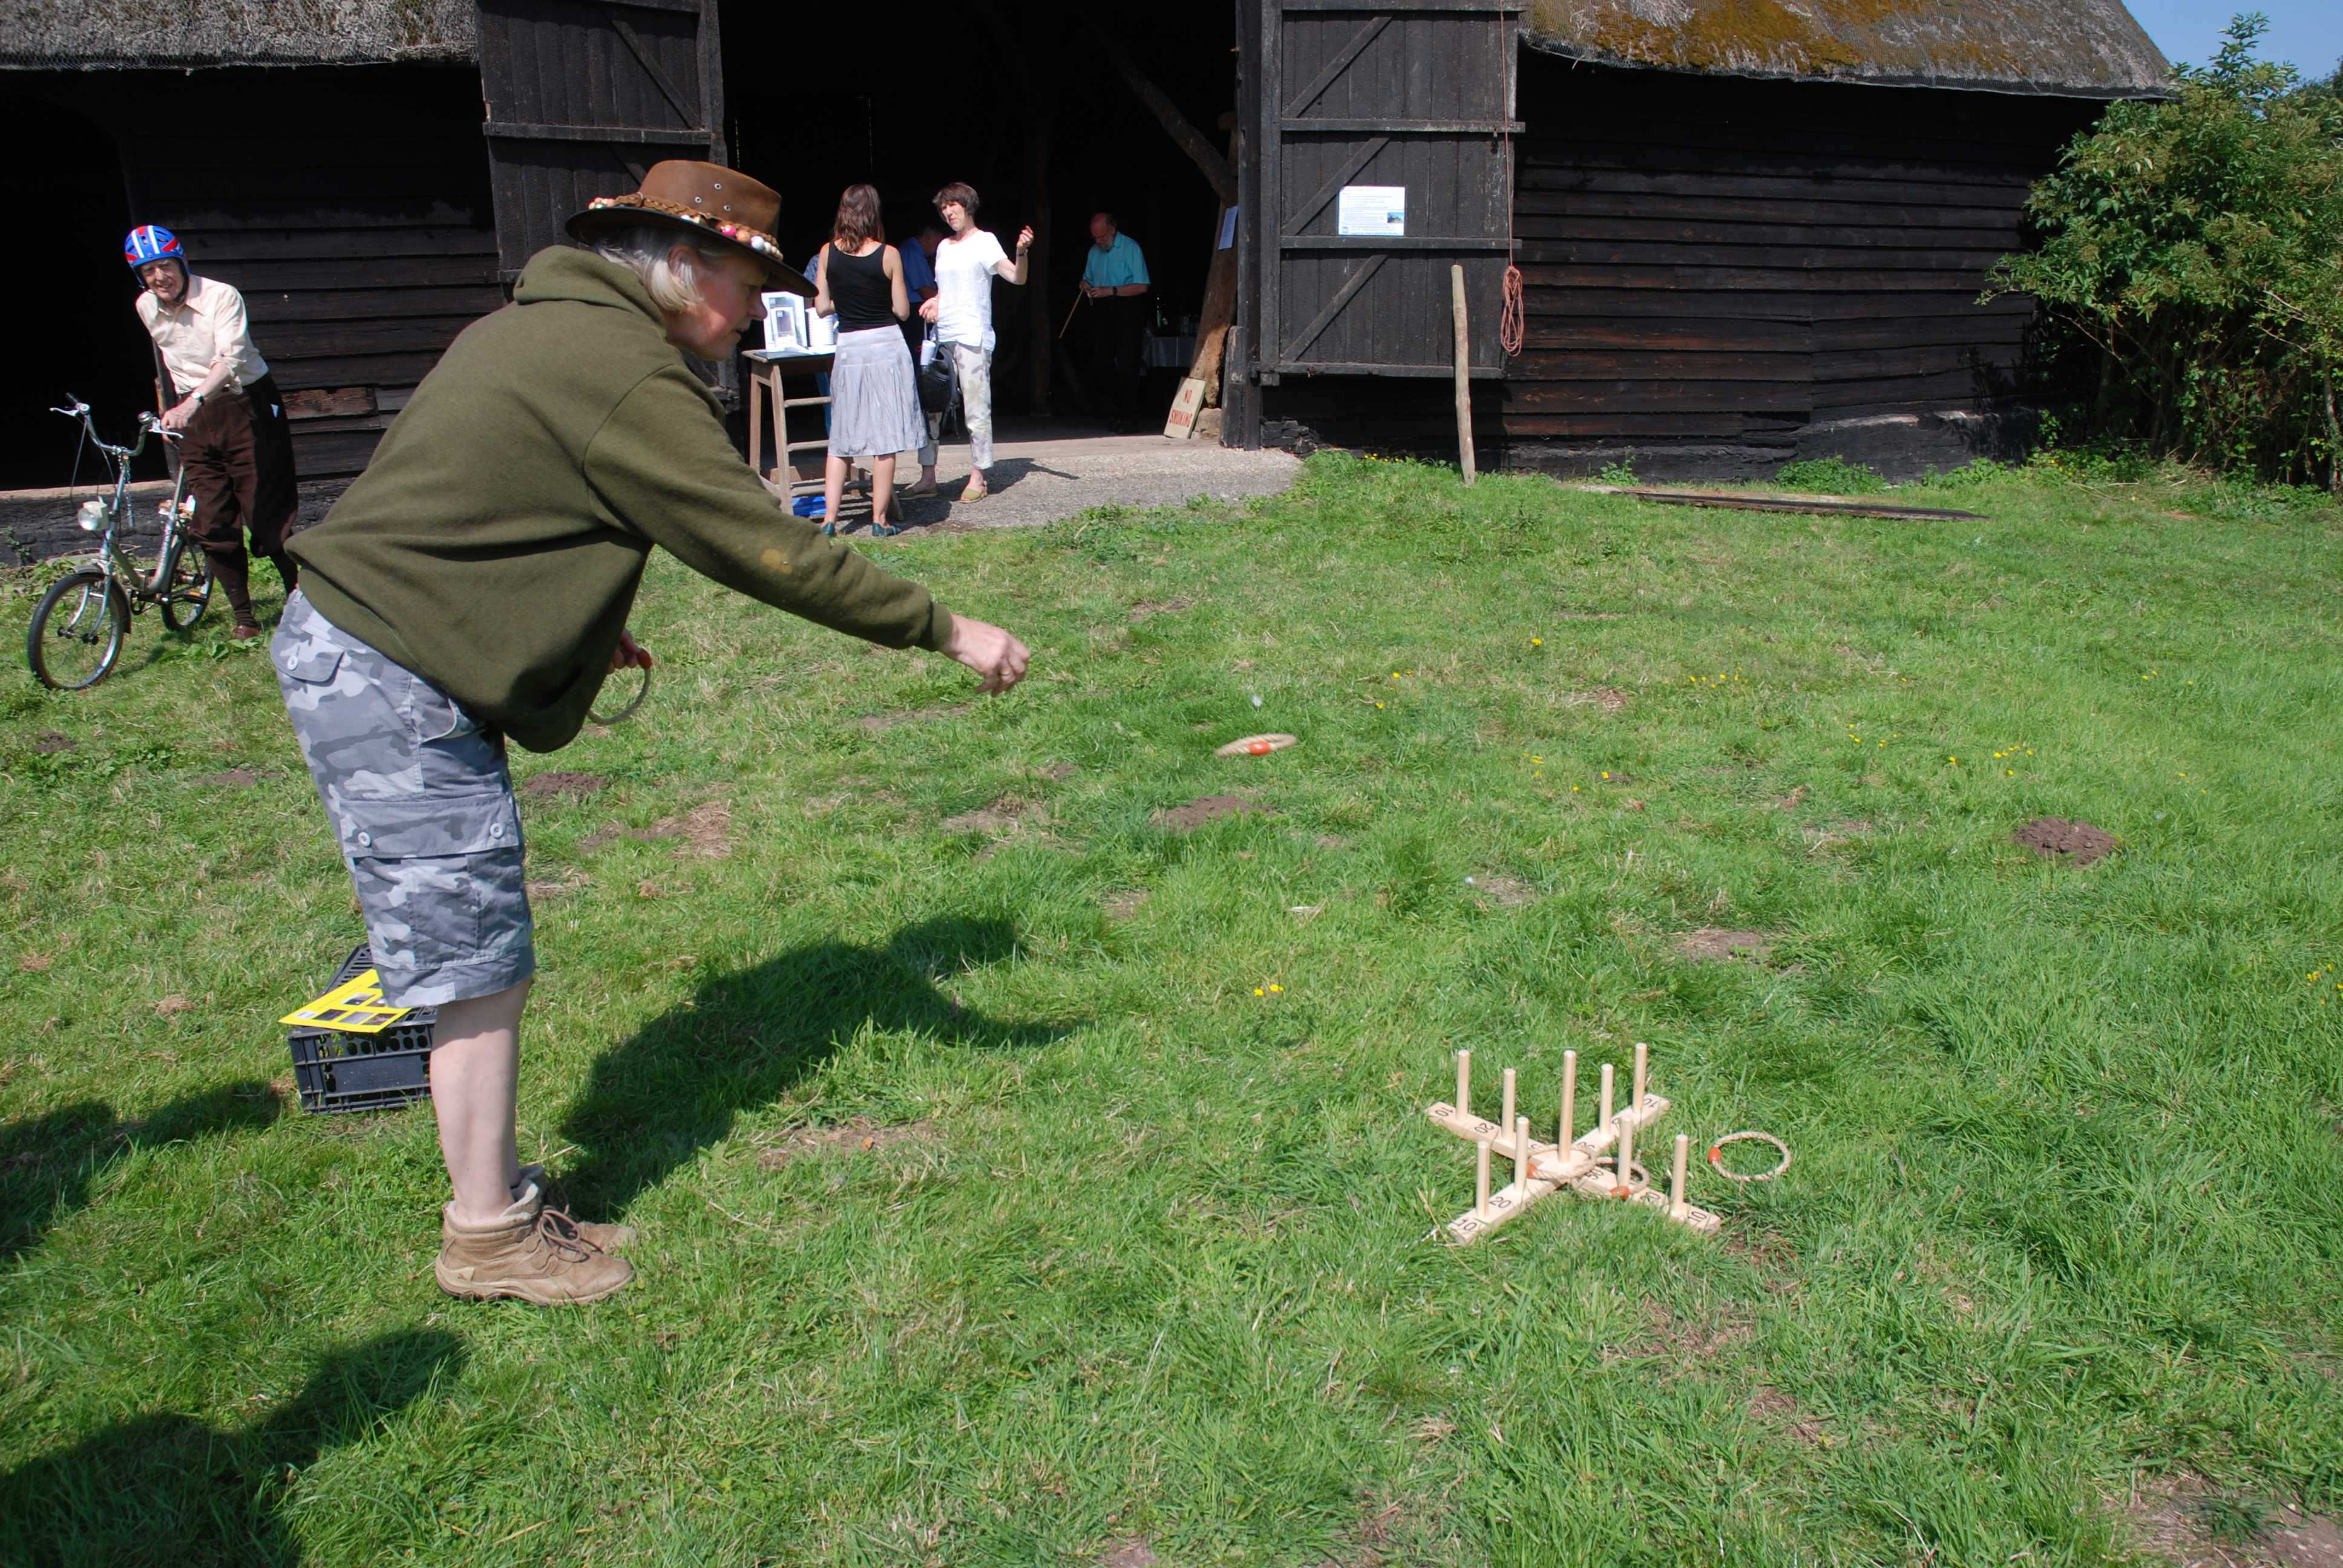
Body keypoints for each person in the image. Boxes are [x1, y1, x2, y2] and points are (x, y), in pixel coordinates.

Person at [274, 162, 1030, 1307]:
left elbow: (493, 506)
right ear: (681, 267)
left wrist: (578, 627)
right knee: (475, 958)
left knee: (473, 944)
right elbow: (757, 544)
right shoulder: (624, 368)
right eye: (744, 283)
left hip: (372, 651)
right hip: (391, 672)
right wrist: (942, 625)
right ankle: (486, 1235)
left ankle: (495, 1194)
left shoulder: (546, 327)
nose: (753, 313)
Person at [126, 224, 301, 639]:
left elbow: (230, 359)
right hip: (195, 412)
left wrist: (192, 403)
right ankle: (244, 618)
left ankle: (298, 593)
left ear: (182, 262)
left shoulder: (222, 296)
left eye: (165, 266)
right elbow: (170, 361)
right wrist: (172, 407)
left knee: (263, 509)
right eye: (147, 271)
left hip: (245, 403)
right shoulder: (146, 306)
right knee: (210, 517)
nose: (159, 278)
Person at [811, 184, 926, 537]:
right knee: (885, 437)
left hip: (849, 346)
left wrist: (844, 302)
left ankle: (830, 520)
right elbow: (903, 311)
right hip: (886, 345)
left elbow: (820, 307)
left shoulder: (827, 253)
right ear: (873, 213)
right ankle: (879, 521)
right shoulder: (889, 254)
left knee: (842, 435)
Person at [917, 184, 1031, 503]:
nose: (949, 213)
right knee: (931, 406)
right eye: (944, 209)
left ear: (968, 207)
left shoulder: (985, 242)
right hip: (942, 337)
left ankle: (979, 476)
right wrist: (936, 302)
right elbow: (946, 288)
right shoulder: (943, 247)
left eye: (954, 206)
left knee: (975, 408)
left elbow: (1017, 278)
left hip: (973, 337)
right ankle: (928, 476)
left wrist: (1022, 251)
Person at [1080, 212, 1152, 431]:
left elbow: (1142, 286)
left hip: (1127, 307)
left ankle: (1130, 417)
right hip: (1103, 309)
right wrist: (1084, 284)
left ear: (1112, 230)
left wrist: (1110, 290)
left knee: (1128, 363)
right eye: (1095, 238)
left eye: (1101, 237)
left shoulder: (1131, 248)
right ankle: (1115, 412)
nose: (1098, 242)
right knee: (1102, 362)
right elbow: (1087, 278)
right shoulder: (1094, 251)